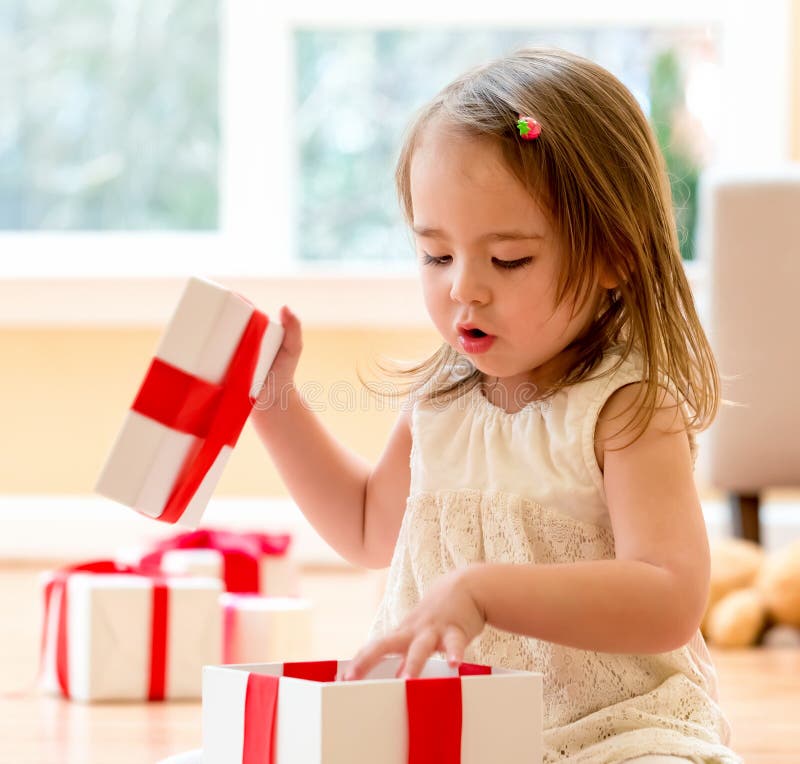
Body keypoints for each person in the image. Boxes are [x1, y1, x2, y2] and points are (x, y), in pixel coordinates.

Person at [251, 47, 741, 763]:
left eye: (508, 259)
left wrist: (486, 590)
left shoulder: (624, 410)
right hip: (450, 729)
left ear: (614, 254)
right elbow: (366, 529)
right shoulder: (439, 406)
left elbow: (669, 597)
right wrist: (273, 404)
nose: (463, 288)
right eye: (436, 256)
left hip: (615, 730)